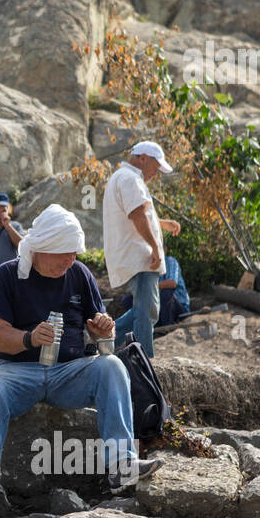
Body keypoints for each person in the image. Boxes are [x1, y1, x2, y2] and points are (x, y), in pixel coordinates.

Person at [0, 204, 164, 515]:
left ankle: (121, 464)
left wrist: (105, 330)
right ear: (42, 248)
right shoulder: (8, 275)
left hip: (70, 372)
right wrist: (29, 338)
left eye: (74, 252)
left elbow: (101, 336)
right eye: (64, 252)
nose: (70, 259)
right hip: (17, 371)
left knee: (112, 366)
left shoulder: (79, 274)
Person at [103, 141, 180, 359]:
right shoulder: (130, 179)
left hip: (136, 255)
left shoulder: (125, 178)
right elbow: (137, 215)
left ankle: (102, 341)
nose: (156, 174)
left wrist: (163, 223)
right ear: (143, 158)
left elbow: (140, 213)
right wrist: (156, 247)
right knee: (146, 312)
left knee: (145, 310)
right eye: (156, 167)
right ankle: (145, 358)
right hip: (141, 255)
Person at [119, 253, 190, 326]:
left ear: (165, 250)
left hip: (178, 308)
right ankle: (142, 328)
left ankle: (166, 326)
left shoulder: (169, 261)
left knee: (166, 293)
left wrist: (147, 288)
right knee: (127, 300)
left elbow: (172, 283)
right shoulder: (146, 265)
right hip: (156, 306)